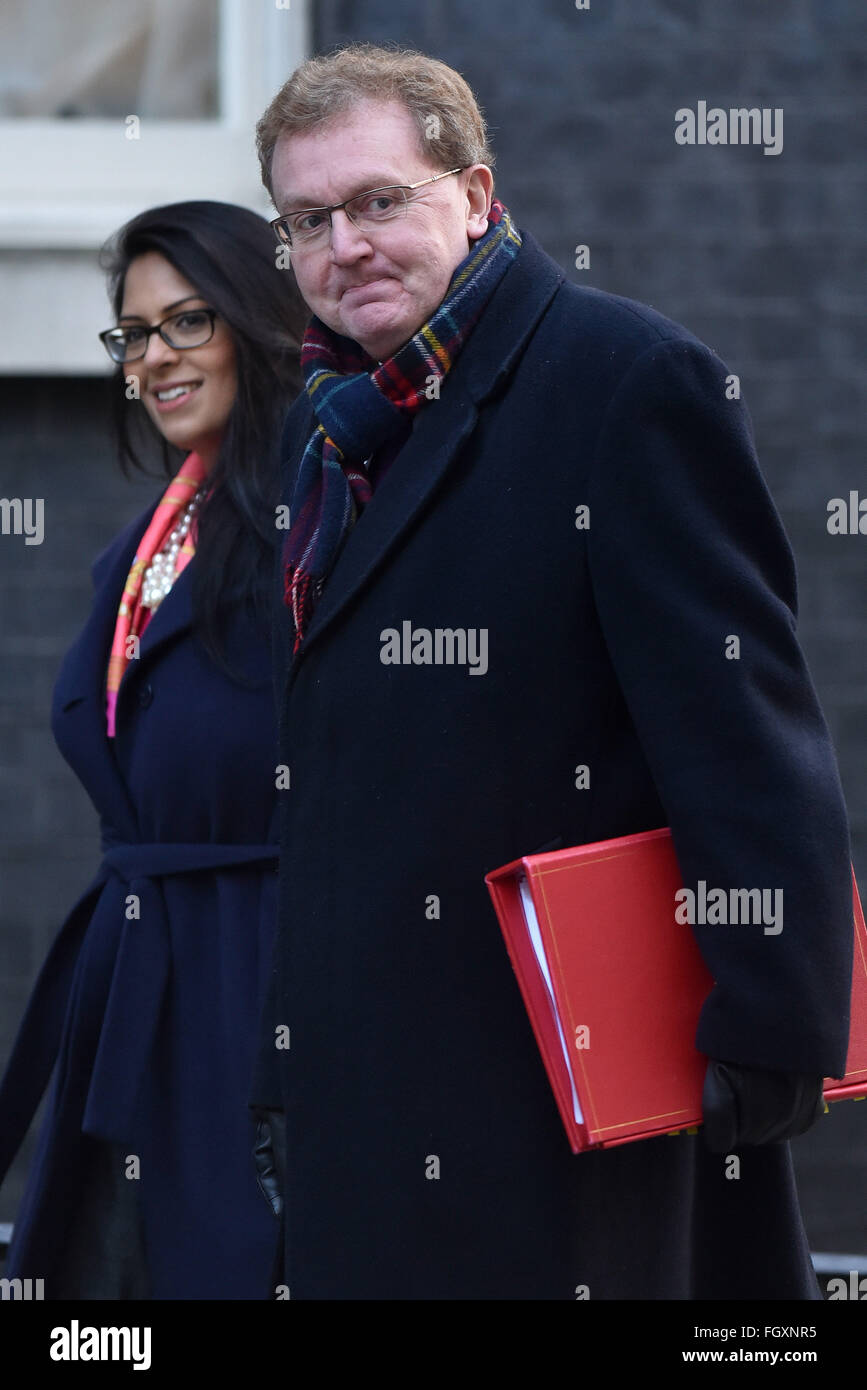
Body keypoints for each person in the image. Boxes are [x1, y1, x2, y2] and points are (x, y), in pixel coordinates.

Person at [249, 45, 855, 1300]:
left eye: (378, 201)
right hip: (369, 1092)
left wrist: (774, 1039)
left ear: (474, 194)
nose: (344, 245)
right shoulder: (328, 425)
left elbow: (742, 726)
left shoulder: (627, 382)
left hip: (567, 1101)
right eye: (307, 219)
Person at [0, 201, 308, 1298]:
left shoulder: (320, 525)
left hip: (259, 993)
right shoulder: (145, 542)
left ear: (258, 322)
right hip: (137, 989)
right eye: (134, 334)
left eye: (188, 323)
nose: (156, 359)